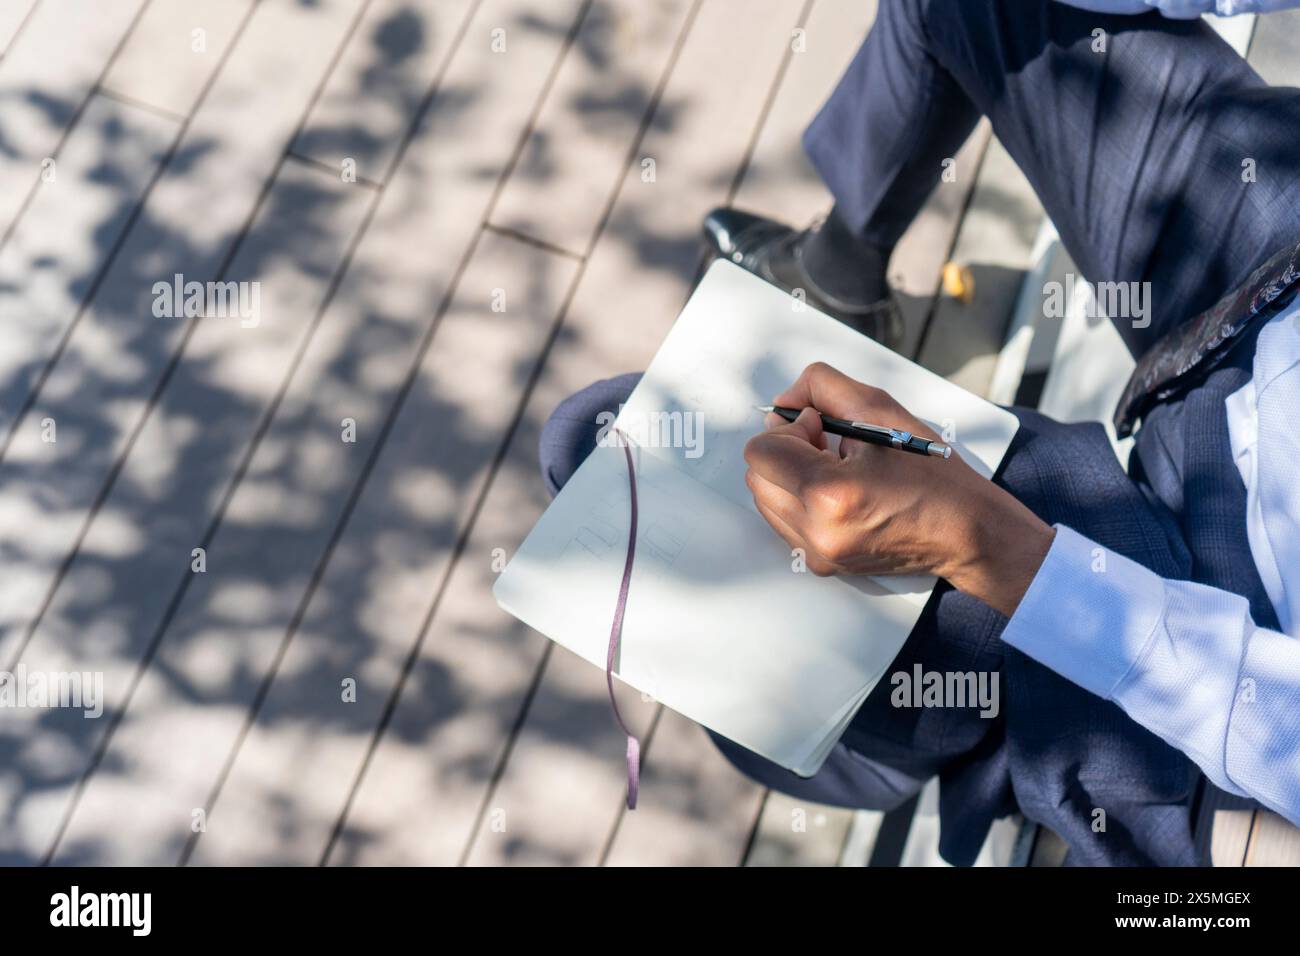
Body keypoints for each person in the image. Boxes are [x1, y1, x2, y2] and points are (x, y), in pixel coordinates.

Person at [539, 0, 1300, 864]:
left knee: (602, 447)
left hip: (1223, 630)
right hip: (1277, 270)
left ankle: (946, 730)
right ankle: (839, 275)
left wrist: (996, 550)